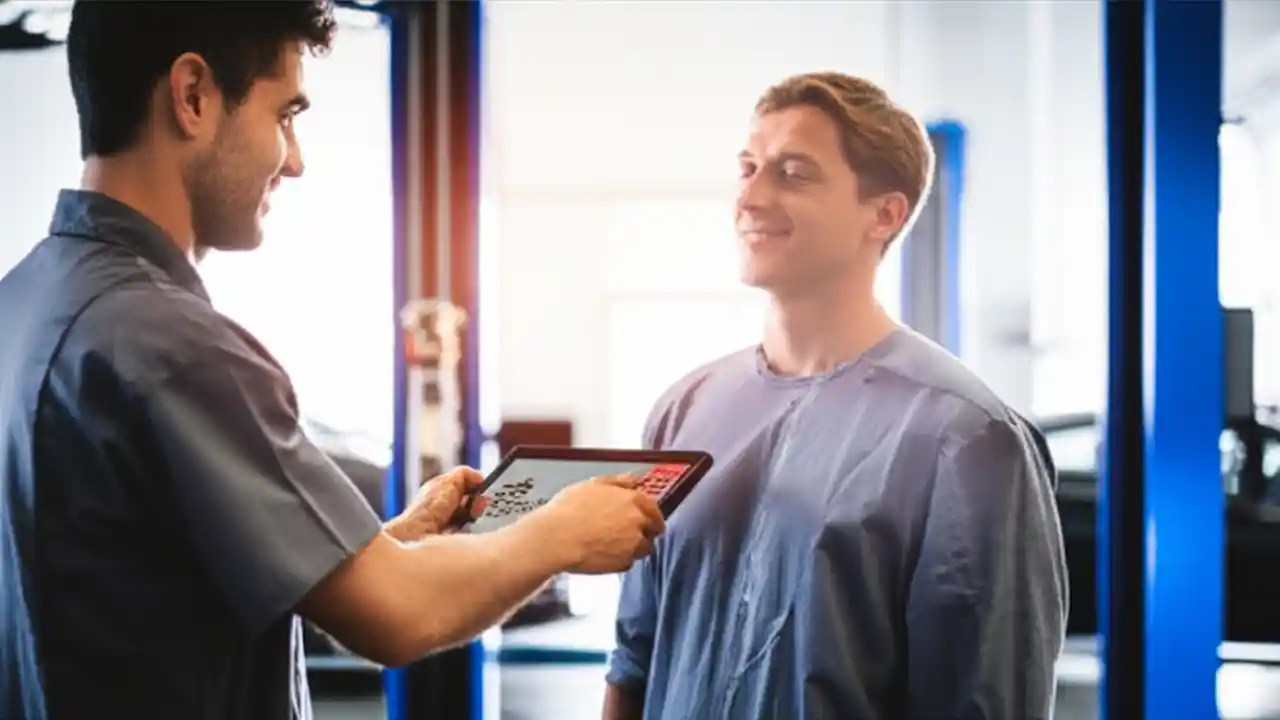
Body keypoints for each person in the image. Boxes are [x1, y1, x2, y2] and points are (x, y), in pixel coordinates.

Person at [0, 3, 664, 718]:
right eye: (285, 115)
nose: (295, 158)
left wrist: (382, 547)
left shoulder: (24, 303)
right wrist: (559, 533)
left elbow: (136, 583)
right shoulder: (176, 347)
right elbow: (398, 615)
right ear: (193, 96)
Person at [603, 72, 1067, 720]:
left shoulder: (964, 438)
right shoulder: (686, 409)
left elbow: (986, 700)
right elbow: (634, 657)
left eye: (793, 173)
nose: (751, 196)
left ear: (885, 213)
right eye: (747, 167)